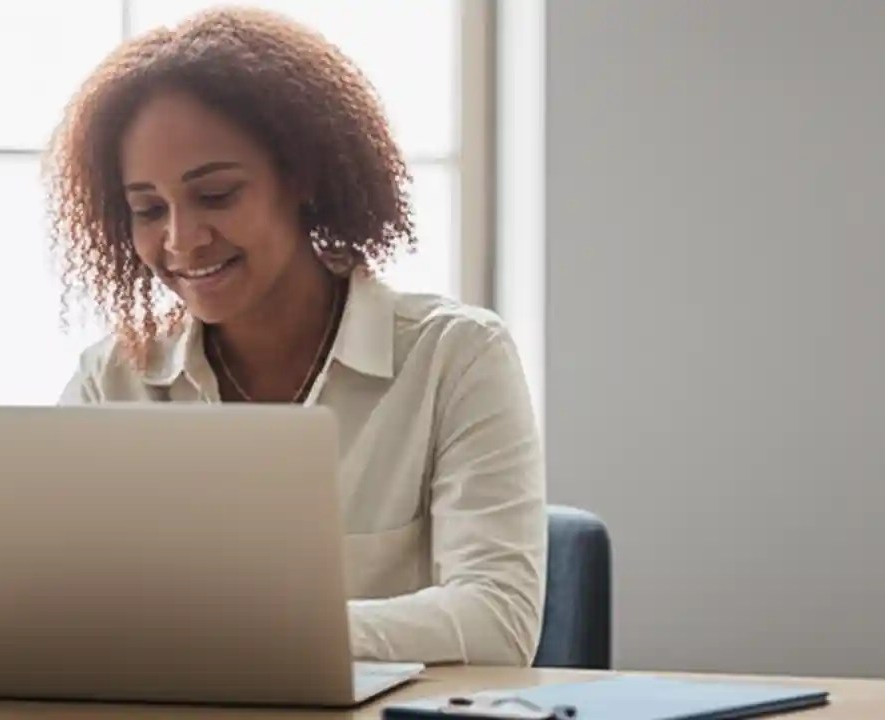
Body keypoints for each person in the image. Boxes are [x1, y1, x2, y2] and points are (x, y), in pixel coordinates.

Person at [45, 7, 546, 666]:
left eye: (216, 195)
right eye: (148, 209)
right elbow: (51, 606)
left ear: (302, 177)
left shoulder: (456, 359)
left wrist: (256, 636)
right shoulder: (111, 381)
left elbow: (497, 622)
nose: (181, 239)